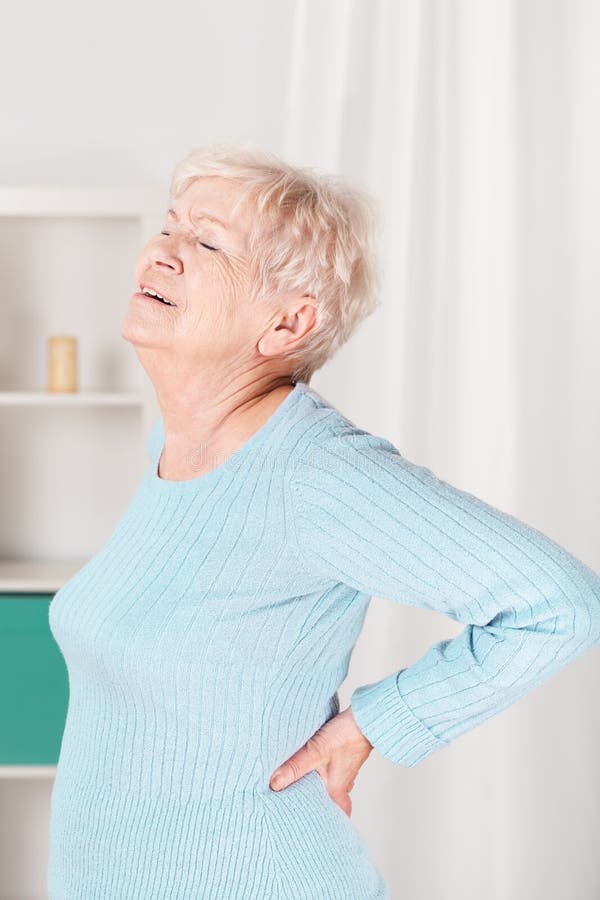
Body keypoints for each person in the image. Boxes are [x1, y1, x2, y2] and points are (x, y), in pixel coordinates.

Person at [47, 142, 600, 900]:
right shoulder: (173, 449)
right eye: (171, 226)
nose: (163, 251)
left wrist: (376, 722)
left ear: (287, 324)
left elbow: (560, 606)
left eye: (208, 243)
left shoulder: (316, 472)